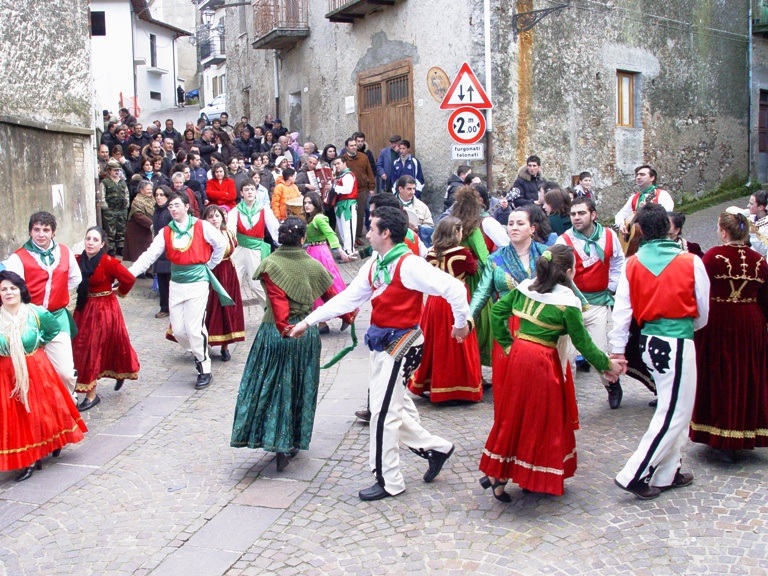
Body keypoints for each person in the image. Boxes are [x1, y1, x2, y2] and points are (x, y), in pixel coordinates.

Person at [290, 207, 470, 501]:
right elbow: (350, 297)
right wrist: (308, 321)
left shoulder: (410, 265)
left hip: (403, 343)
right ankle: (436, 448)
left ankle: (389, 480)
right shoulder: (376, 263)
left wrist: (460, 325)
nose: (367, 233)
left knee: (383, 413)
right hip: (384, 342)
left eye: (372, 228)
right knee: (386, 407)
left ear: (386, 233)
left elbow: (455, 289)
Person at [479, 245, 625, 500]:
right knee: (542, 418)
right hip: (542, 361)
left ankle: (500, 474)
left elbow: (497, 311)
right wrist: (607, 365)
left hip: (518, 355)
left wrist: (508, 344)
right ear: (568, 272)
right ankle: (528, 474)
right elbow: (584, 343)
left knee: (514, 413)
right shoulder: (567, 302)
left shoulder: (525, 289)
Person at [231, 218, 354, 471]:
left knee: (268, 385)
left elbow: (278, 304)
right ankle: (291, 440)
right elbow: (334, 299)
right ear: (302, 239)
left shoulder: (270, 264)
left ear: (279, 238)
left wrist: (284, 329)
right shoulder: (315, 266)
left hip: (275, 335)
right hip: (306, 335)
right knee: (299, 386)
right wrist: (349, 316)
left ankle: (272, 438)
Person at [609, 203, 709, 500]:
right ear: (668, 227)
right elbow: (703, 311)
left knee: (674, 406)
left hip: (649, 340)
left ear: (639, 229)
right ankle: (635, 473)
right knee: (674, 412)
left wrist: (617, 351)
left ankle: (668, 471)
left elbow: (622, 312)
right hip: (677, 340)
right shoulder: (690, 261)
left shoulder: (632, 263)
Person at [128, 193, 229, 389]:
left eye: (176, 205)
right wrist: (129, 274)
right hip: (176, 283)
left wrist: (210, 264)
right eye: (170, 207)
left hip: (198, 281)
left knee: (194, 327)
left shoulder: (202, 226)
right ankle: (200, 349)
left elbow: (221, 244)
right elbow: (150, 255)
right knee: (179, 330)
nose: (173, 209)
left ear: (186, 206)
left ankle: (204, 366)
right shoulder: (166, 232)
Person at [690, 210, 768, 462]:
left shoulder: (713, 257)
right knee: (746, 374)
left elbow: (699, 292)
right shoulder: (760, 261)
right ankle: (744, 432)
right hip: (751, 322)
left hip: (720, 321)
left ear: (723, 231)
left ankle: (722, 437)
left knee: (720, 373)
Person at [0, 271, 87, 482]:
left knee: (40, 411)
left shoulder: (36, 313)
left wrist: (37, 347)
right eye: (3, 289)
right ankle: (30, 456)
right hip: (6, 373)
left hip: (35, 368)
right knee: (17, 416)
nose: (9, 292)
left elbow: (52, 330)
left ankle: (42, 451)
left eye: (13, 288)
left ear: (21, 290)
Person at [556, 197, 625, 408]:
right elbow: (557, 274)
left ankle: (612, 384)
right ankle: (567, 399)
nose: (576, 218)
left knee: (598, 351)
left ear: (593, 215)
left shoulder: (609, 236)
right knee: (566, 356)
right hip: (572, 306)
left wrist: (612, 287)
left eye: (581, 213)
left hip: (598, 303)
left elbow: (618, 262)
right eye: (573, 214)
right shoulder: (564, 241)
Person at [470, 204, 548, 388]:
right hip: (505, 327)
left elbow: (563, 286)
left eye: (520, 223)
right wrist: (467, 319)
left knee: (537, 382)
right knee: (510, 382)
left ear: (532, 229)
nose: (513, 227)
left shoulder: (546, 254)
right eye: (510, 223)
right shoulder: (495, 259)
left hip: (539, 324)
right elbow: (482, 292)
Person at [3, 212, 81, 396]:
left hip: (56, 316)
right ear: (30, 232)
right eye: (36, 229)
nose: (41, 234)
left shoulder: (65, 252)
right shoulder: (18, 257)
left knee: (66, 372)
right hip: (28, 317)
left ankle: (68, 402)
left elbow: (75, 278)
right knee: (29, 370)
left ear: (53, 232)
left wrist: (59, 294)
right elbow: (15, 289)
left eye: (46, 230)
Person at [408, 217, 482, 403]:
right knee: (456, 344)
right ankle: (457, 387)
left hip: (435, 301)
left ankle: (430, 382)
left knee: (435, 340)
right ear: (456, 233)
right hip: (455, 301)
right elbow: (473, 270)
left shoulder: (430, 253)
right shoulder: (463, 253)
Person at [72, 227, 140, 411]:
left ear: (102, 244)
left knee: (94, 349)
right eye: (88, 239)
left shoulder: (108, 262)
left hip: (104, 310)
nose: (90, 242)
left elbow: (128, 279)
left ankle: (91, 395)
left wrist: (120, 291)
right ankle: (117, 373)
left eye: (95, 240)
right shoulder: (78, 260)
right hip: (84, 308)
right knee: (79, 347)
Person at [303, 192, 353, 334]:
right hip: (311, 253)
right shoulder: (310, 219)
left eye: (310, 203)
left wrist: (339, 250)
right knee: (315, 288)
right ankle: (322, 323)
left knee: (329, 285)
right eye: (305, 202)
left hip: (320, 254)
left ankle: (347, 312)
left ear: (316, 204)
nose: (307, 205)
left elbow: (330, 234)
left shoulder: (319, 218)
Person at [202, 206, 245, 362]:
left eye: (217, 216)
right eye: (210, 216)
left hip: (227, 273)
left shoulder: (228, 233)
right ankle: (203, 342)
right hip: (211, 273)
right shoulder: (202, 235)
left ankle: (225, 345)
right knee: (209, 307)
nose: (214, 219)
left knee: (227, 307)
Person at [227, 178, 280, 305]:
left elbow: (274, 227)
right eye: (246, 190)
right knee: (233, 284)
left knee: (256, 284)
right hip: (239, 249)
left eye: (252, 189)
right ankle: (232, 318)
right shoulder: (236, 211)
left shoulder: (264, 209)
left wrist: (282, 242)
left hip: (256, 250)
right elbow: (230, 230)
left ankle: (270, 315)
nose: (249, 192)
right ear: (241, 193)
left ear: (256, 192)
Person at [614, 164, 674, 242]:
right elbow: (620, 215)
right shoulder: (634, 197)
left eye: (642, 175)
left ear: (652, 178)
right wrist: (621, 225)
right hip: (636, 241)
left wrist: (649, 209)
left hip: (656, 238)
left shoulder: (662, 195)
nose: (638, 177)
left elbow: (666, 215)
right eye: (637, 175)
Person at [342, 137, 375, 246]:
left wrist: (371, 187)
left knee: (360, 213)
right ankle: (349, 236)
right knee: (349, 214)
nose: (354, 147)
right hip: (348, 191)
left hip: (362, 190)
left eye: (355, 145)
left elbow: (369, 172)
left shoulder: (364, 157)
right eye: (351, 145)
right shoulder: (343, 159)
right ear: (347, 147)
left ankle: (357, 235)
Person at [99, 160, 130, 256]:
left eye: (118, 170)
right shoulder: (105, 182)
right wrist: (106, 207)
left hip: (121, 210)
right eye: (115, 170)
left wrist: (126, 205)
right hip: (110, 210)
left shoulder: (122, 182)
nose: (117, 172)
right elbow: (102, 196)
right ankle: (110, 248)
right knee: (110, 231)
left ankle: (120, 247)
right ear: (109, 171)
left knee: (121, 229)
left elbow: (126, 194)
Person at [330, 155, 358, 254]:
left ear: (344, 163)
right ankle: (346, 250)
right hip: (341, 204)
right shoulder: (341, 175)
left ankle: (349, 251)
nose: (336, 166)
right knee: (342, 229)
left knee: (348, 229)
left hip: (348, 204)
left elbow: (347, 189)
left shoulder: (348, 175)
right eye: (335, 164)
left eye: (338, 163)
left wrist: (333, 187)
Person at [395, 175, 434, 247]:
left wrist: (419, 229)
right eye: (409, 189)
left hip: (416, 245)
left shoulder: (423, 207)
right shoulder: (390, 205)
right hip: (395, 245)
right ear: (400, 189)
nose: (412, 192)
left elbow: (430, 228)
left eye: (414, 189)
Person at [152, 186, 173, 318]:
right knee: (162, 279)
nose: (159, 197)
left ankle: (172, 307)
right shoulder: (156, 210)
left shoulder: (170, 211)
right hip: (159, 249)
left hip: (170, 249)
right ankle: (164, 307)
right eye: (157, 195)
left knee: (171, 280)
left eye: (161, 195)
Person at [123, 180, 156, 263]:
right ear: (141, 190)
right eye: (148, 189)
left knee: (149, 250)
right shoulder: (137, 201)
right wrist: (151, 224)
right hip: (137, 231)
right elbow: (139, 215)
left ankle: (149, 270)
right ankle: (140, 271)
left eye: (151, 189)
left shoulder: (152, 199)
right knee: (139, 251)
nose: (150, 191)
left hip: (148, 230)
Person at [746, 191, 768, 257]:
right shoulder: (753, 217)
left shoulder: (766, 227)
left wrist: (753, 234)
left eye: (751, 204)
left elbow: (763, 252)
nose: (748, 206)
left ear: (760, 207)